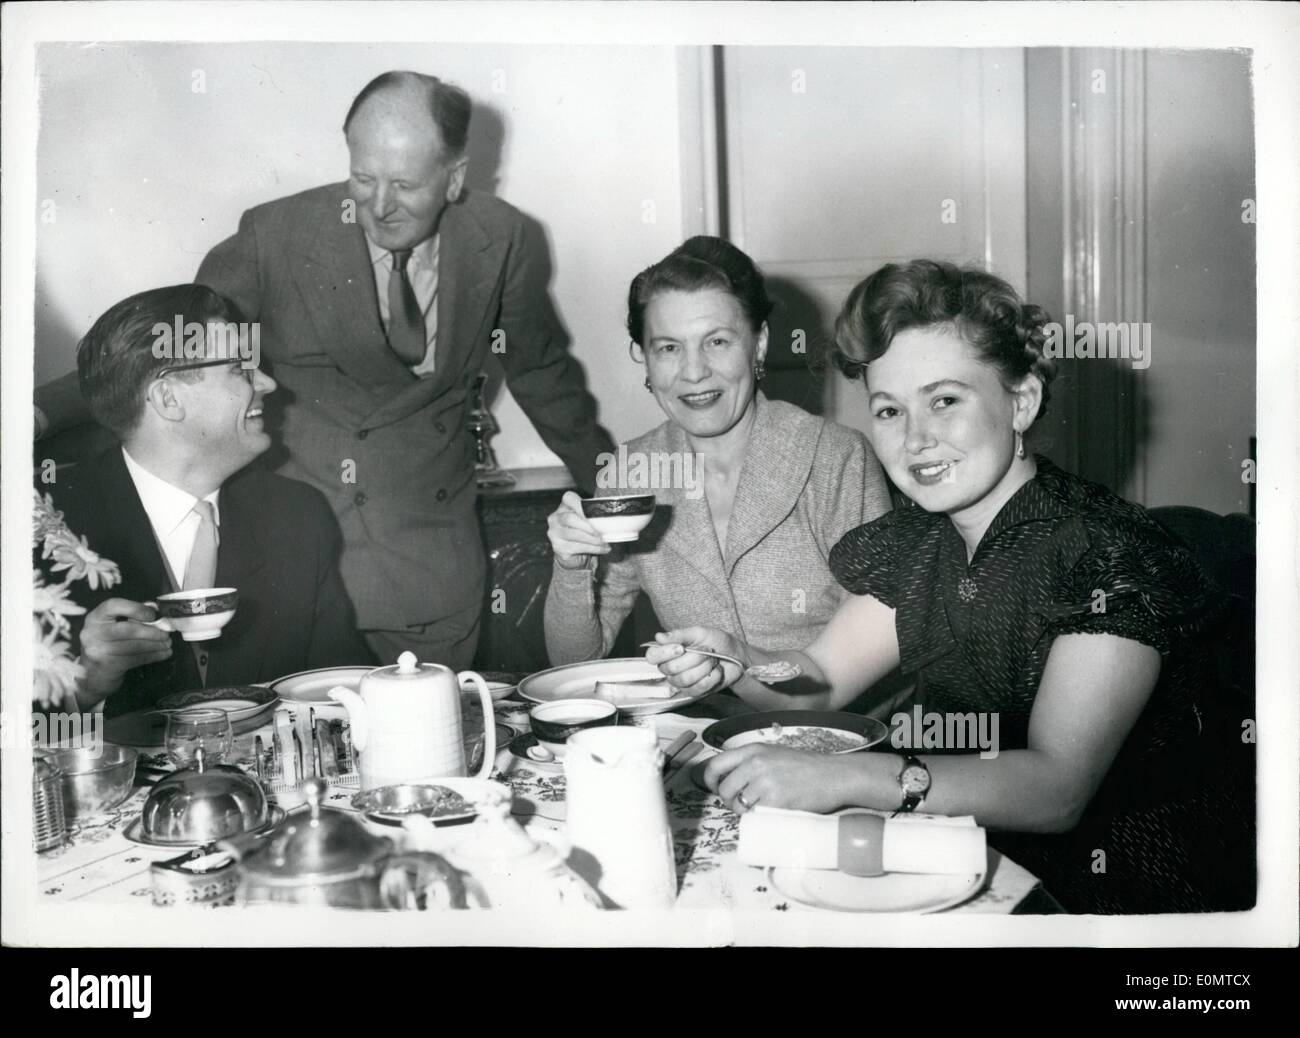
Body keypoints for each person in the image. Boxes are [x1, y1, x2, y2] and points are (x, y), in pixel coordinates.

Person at [661, 259, 1252, 913]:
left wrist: (854, 777)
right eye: (889, 410)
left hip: (1111, 889)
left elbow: (1057, 788)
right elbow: (819, 682)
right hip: (953, 852)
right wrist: (736, 661)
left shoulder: (1106, 554)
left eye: (945, 400)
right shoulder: (920, 544)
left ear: (1020, 400)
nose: (915, 438)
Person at [36, 70, 614, 670]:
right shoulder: (278, 235)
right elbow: (166, 349)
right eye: (362, 179)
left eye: (405, 185)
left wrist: (609, 489)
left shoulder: (503, 238)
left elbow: (545, 375)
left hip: (430, 573)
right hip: (291, 575)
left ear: (456, 178)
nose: (380, 206)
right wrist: (38, 412)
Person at [544, 236, 892, 711]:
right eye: (668, 347)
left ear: (760, 344)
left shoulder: (836, 458)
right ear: (644, 358)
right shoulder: (631, 473)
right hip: (701, 739)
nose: (694, 372)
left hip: (839, 737)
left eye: (717, 342)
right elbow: (575, 662)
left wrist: (743, 665)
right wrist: (571, 567)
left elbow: (864, 664)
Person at [43, 284, 370, 718]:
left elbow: (343, 684)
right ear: (168, 399)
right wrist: (81, 690)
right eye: (239, 367)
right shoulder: (43, 525)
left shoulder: (298, 515)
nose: (268, 383)